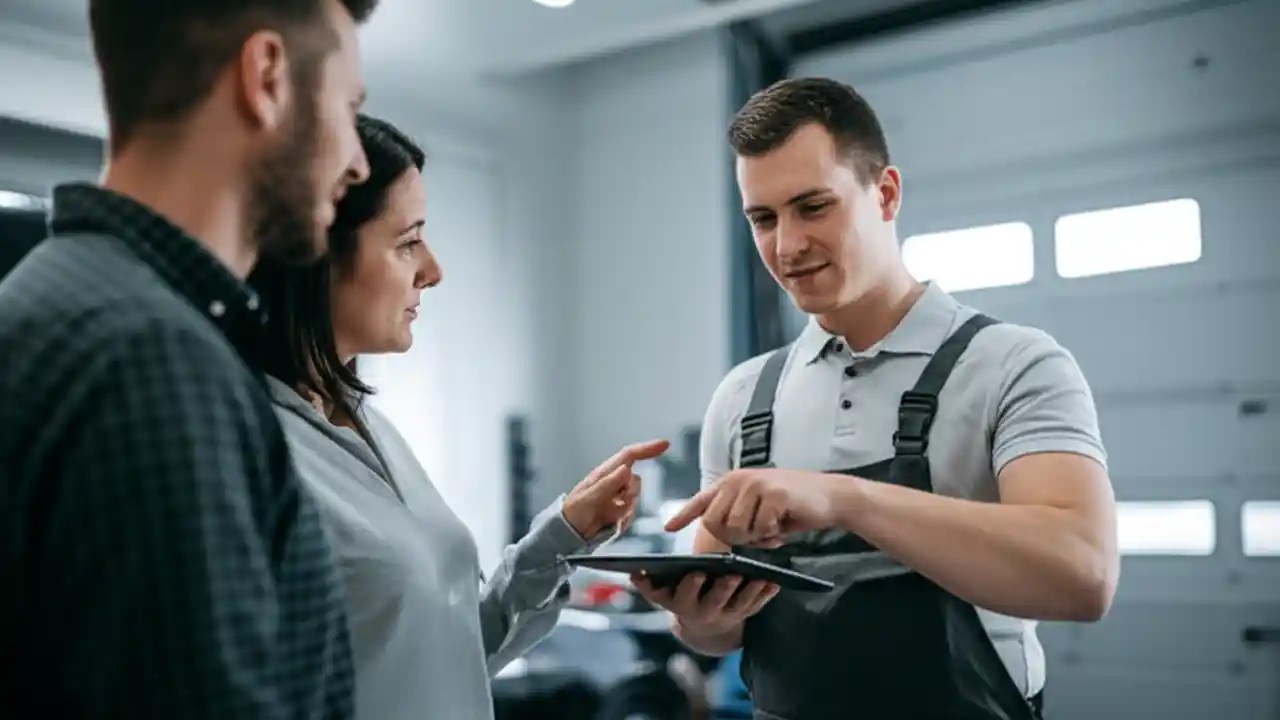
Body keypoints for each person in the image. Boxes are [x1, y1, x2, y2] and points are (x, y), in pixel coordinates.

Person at [638, 77, 1120, 719]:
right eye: (763, 218)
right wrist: (698, 621)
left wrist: (844, 498)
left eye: (814, 207)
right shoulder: (743, 398)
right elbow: (718, 634)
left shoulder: (1014, 364)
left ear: (886, 194)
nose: (786, 247)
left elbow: (1083, 577)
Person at [0, 0, 378, 716]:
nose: (357, 161)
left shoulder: (70, 302)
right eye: (348, 108)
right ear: (266, 76)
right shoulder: (148, 359)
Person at [248, 114, 670, 720]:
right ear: (318, 254)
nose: (433, 269)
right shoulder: (250, 447)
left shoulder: (365, 423)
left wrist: (564, 535)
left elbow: (452, 653)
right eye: (407, 241)